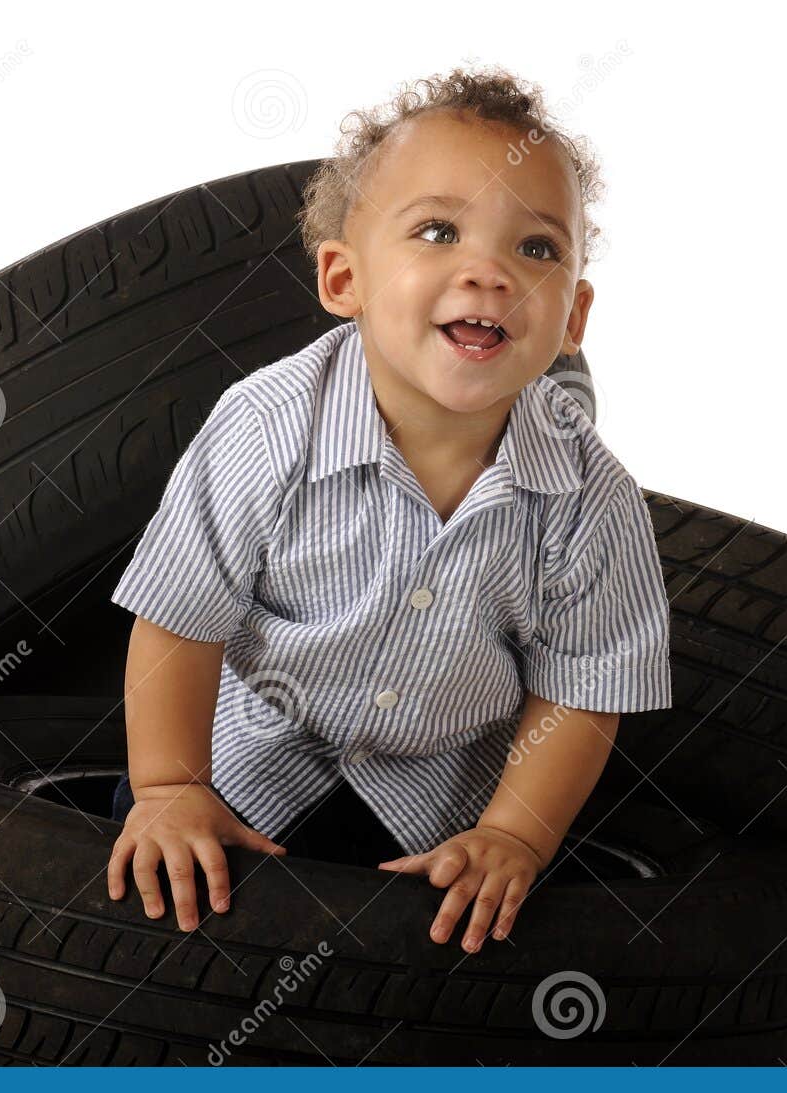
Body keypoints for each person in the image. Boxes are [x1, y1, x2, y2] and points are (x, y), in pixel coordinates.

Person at [105, 64, 672, 956]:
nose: (489, 272)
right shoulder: (266, 427)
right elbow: (179, 618)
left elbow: (582, 691)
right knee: (151, 909)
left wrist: (515, 834)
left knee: (482, 946)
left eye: (537, 249)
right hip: (245, 774)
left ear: (575, 316)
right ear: (344, 278)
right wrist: (170, 787)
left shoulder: (591, 498)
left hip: (444, 815)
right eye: (439, 231)